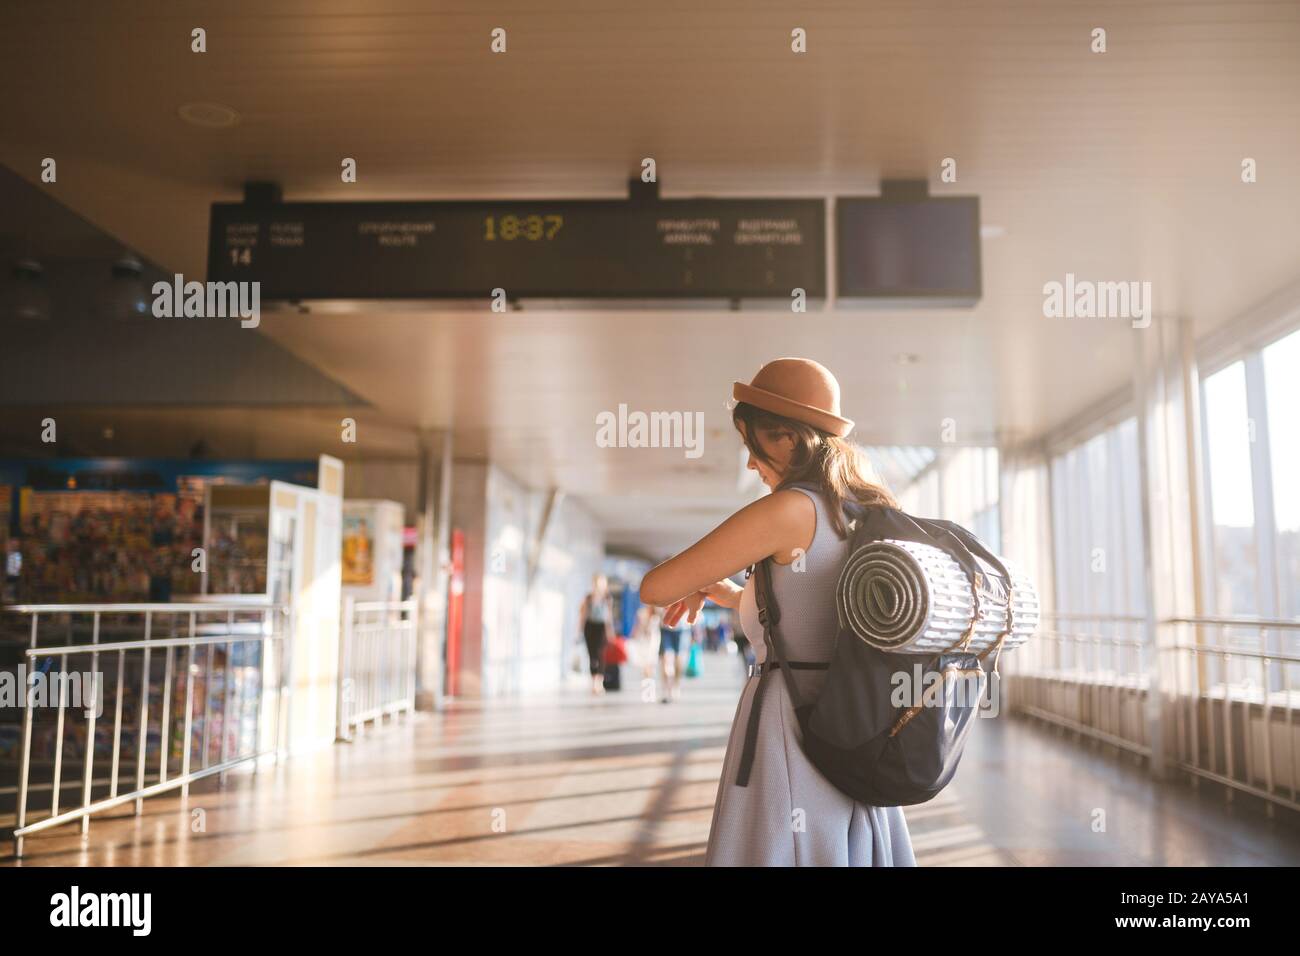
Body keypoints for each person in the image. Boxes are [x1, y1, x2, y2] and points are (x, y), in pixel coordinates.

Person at [640, 357, 917, 867]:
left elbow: (655, 586)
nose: (750, 464)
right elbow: (811, 611)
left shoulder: (791, 509)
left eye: (753, 445)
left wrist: (695, 577)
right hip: (855, 724)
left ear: (788, 439)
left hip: (793, 727)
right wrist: (726, 592)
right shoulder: (861, 509)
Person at [579, 574, 615, 695]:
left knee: (600, 655)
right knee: (592, 656)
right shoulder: (588, 598)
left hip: (602, 628)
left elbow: (609, 617)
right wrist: (579, 630)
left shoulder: (607, 598)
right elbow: (583, 615)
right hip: (590, 627)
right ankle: (594, 682)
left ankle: (599, 682)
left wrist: (610, 632)